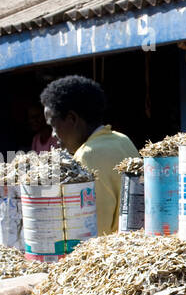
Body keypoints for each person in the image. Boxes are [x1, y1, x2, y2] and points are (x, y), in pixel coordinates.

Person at [39, 75, 138, 235]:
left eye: (53, 125)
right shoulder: (122, 140)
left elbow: (93, 232)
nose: (53, 134)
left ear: (72, 119)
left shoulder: (85, 156)